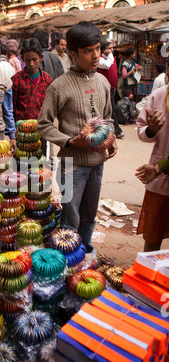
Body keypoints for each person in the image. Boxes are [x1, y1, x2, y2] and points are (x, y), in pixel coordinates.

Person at [37, 21, 117, 254]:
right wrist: (70, 141)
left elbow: (108, 118)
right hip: (72, 166)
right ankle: (68, 262)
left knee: (90, 217)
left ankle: (85, 256)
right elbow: (43, 124)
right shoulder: (59, 87)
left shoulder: (102, 82)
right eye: (88, 51)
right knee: (70, 219)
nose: (95, 56)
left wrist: (111, 138)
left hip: (97, 164)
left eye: (98, 49)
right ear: (73, 54)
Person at [135, 55, 169, 252]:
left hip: (158, 171)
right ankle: (149, 277)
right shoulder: (158, 95)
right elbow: (141, 129)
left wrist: (158, 168)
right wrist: (151, 130)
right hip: (159, 183)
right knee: (153, 235)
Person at [11, 37, 52, 155]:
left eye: (35, 59)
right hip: (22, 132)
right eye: (27, 60)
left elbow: (50, 105)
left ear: (41, 58)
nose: (31, 64)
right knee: (22, 166)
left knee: (40, 165)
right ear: (22, 59)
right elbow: (11, 107)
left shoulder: (47, 79)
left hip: (41, 130)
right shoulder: (16, 80)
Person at [97, 41, 124, 139]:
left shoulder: (110, 57)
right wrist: (110, 55)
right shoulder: (101, 60)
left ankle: (112, 130)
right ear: (104, 49)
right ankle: (116, 130)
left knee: (110, 109)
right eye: (109, 48)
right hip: (105, 89)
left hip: (112, 88)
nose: (111, 50)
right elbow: (107, 65)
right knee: (110, 109)